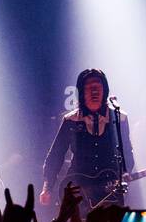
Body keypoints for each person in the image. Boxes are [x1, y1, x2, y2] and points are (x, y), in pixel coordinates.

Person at [41, 67, 136, 209]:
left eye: (98, 86)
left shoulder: (119, 118)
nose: (94, 91)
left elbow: (127, 152)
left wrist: (125, 173)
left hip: (110, 190)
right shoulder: (71, 120)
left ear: (105, 90)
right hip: (78, 189)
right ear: (81, 93)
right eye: (89, 87)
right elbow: (56, 155)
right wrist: (47, 187)